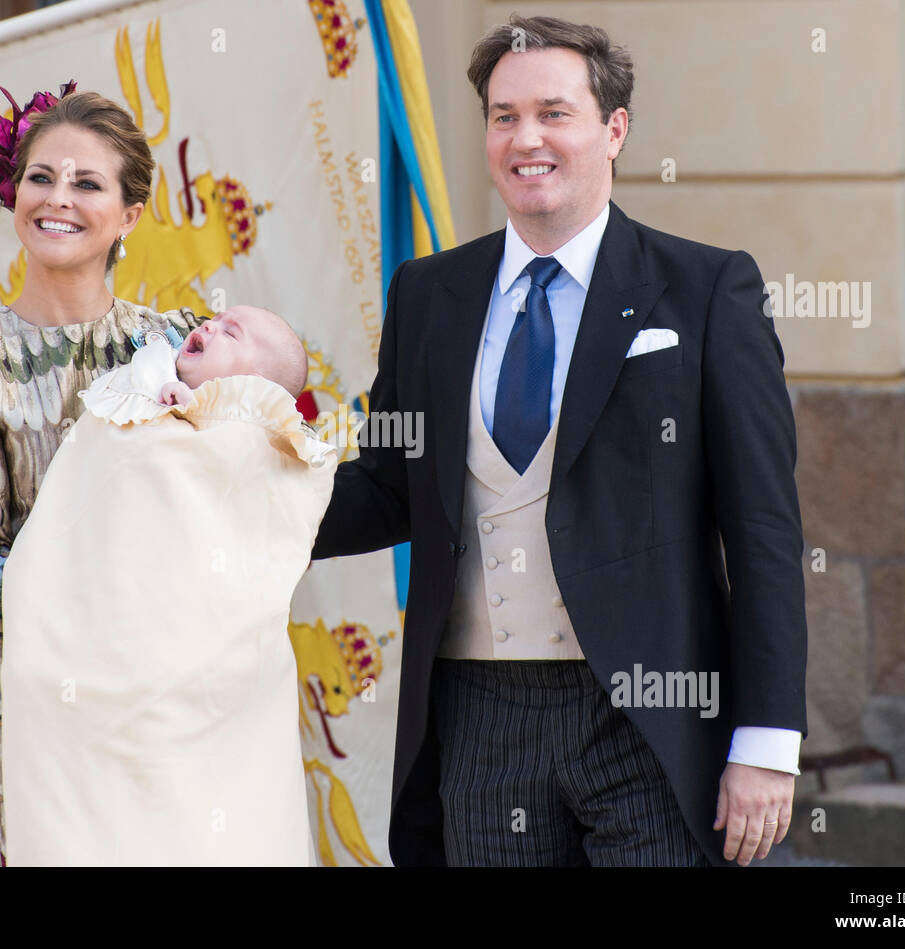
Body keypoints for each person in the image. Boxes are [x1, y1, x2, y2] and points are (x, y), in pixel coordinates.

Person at [311, 14, 807, 867]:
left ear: (614, 129)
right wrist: (227, 490)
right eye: (504, 116)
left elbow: (762, 527)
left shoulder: (705, 288)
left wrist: (765, 740)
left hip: (647, 715)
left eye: (553, 112)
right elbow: (392, 486)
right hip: (476, 716)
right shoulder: (430, 292)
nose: (525, 138)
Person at [0, 86, 199, 866]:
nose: (57, 199)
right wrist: (133, 592)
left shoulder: (180, 344)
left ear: (130, 214)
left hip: (152, 693)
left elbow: (230, 502)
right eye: (41, 177)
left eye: (86, 183)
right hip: (15, 697)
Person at [0, 305, 334, 866]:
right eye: (215, 320)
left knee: (198, 822)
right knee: (89, 823)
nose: (208, 328)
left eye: (232, 334)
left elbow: (259, 515)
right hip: (93, 658)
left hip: (199, 669)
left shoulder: (268, 438)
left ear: (256, 386)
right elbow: (94, 503)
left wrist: (208, 419)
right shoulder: (136, 391)